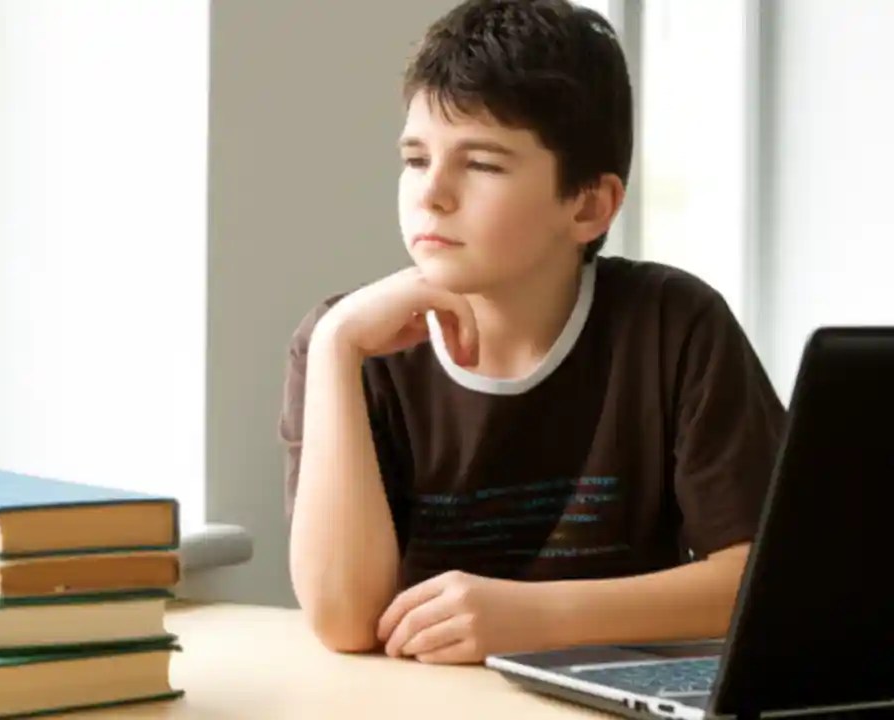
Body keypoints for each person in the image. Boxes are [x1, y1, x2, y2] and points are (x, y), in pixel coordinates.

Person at [277, 0, 785, 665]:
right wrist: (338, 347)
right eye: (415, 158)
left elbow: (767, 578)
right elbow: (345, 621)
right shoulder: (349, 346)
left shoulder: (674, 325)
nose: (431, 194)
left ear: (588, 205)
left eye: (481, 164)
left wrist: (540, 616)